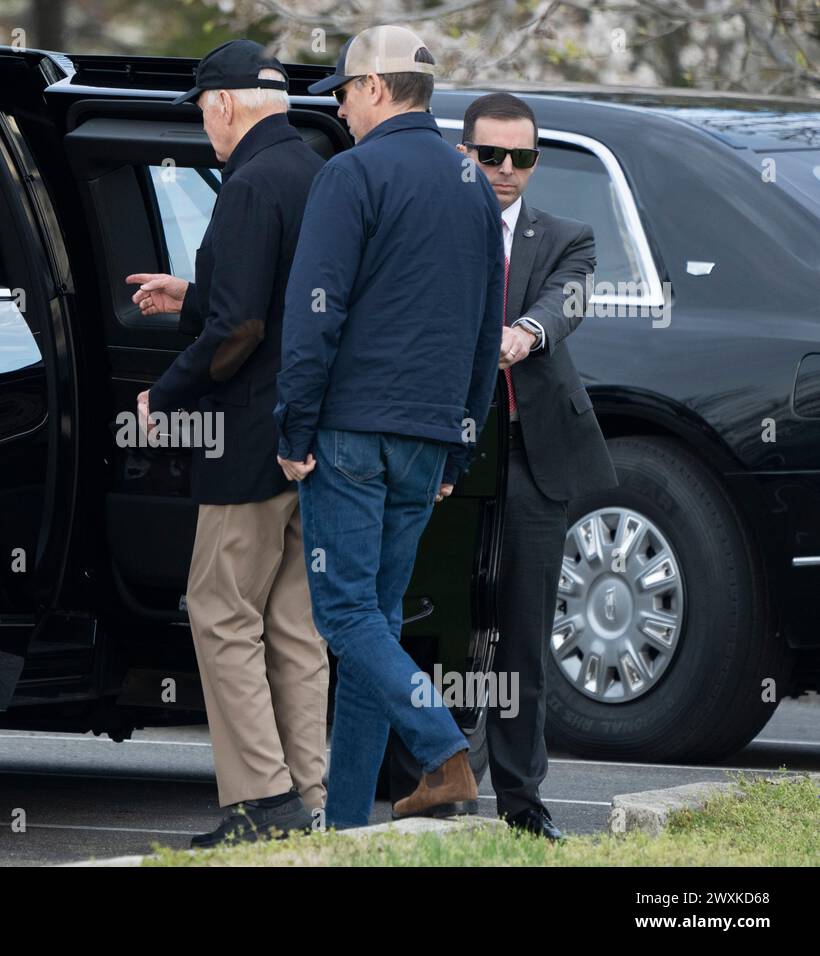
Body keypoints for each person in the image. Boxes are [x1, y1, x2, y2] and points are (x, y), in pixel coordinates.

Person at [275, 25, 504, 829]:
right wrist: (460, 441)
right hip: (426, 441)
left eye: (342, 93)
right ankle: (343, 826)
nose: (340, 109)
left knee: (344, 618)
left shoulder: (352, 174)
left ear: (374, 87)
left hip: (349, 434)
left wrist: (294, 429)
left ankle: (445, 754)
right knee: (373, 620)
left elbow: (314, 317)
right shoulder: (473, 183)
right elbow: (486, 328)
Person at [125, 38, 328, 848]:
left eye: (203, 112)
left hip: (248, 439)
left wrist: (165, 393)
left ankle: (258, 805)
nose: (204, 128)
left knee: (220, 611)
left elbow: (241, 327)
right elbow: (279, 303)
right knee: (295, 625)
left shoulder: (247, 183)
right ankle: (307, 803)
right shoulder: (317, 173)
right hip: (311, 438)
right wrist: (193, 294)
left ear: (223, 103)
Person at [454, 92, 618, 840]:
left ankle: (523, 804)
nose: (506, 170)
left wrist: (525, 332)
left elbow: (568, 299)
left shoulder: (567, 237)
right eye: (491, 155)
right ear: (465, 153)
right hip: (449, 449)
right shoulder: (438, 226)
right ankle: (438, 778)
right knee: (443, 624)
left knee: (522, 633)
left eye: (521, 157)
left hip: (532, 454)